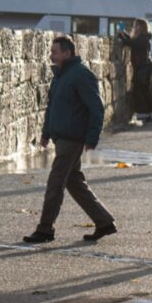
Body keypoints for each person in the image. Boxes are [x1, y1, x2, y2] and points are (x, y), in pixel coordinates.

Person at [24, 35, 117, 244]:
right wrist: (46, 132)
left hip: (72, 139)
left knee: (55, 183)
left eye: (55, 52)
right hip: (62, 138)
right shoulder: (61, 75)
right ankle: (104, 222)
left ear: (67, 53)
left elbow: (96, 108)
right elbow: (53, 107)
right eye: (51, 51)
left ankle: (45, 229)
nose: (51, 55)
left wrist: (92, 138)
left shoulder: (81, 75)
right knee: (75, 183)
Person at [115, 18, 152, 124]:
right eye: (135, 25)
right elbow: (132, 41)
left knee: (143, 90)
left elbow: (131, 43)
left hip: (144, 67)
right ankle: (148, 114)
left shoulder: (143, 38)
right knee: (142, 90)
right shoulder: (142, 38)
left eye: (137, 25)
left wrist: (121, 35)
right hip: (143, 67)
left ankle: (151, 114)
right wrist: (123, 33)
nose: (135, 27)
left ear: (142, 27)